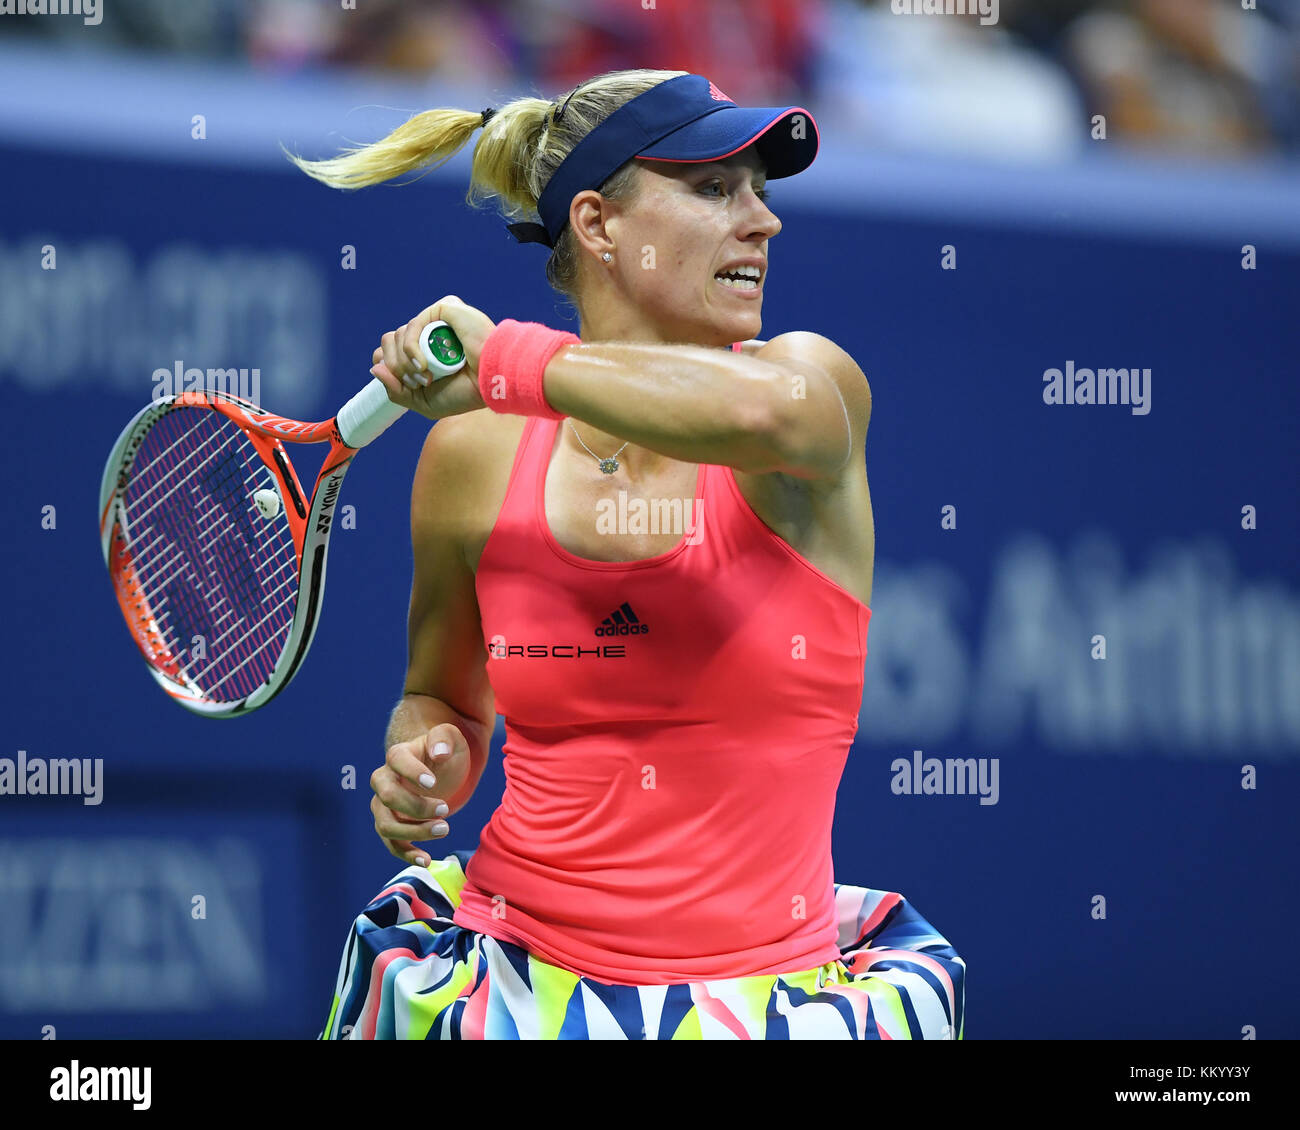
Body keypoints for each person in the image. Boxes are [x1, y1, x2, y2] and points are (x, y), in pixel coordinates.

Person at [292, 69, 965, 1040]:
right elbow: (442, 695)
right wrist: (427, 756)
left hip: (767, 998)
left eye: (761, 192)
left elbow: (758, 410)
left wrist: (508, 363)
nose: (761, 222)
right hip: (507, 988)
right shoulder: (473, 451)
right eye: (713, 188)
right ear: (601, 226)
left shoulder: (810, 388)